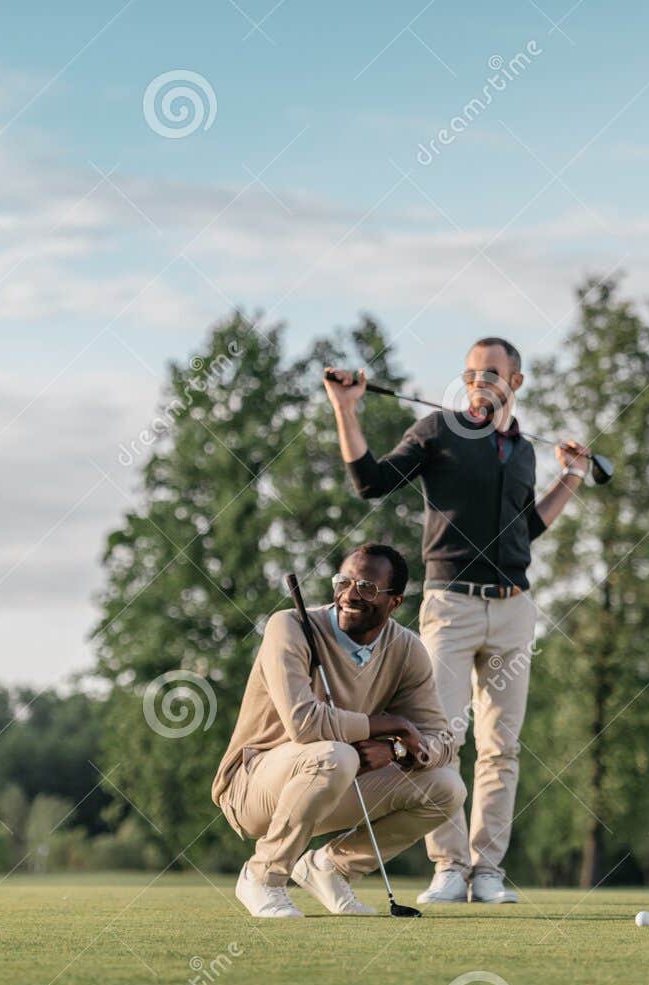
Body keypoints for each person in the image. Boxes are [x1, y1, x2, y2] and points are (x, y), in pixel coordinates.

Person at [323, 340, 590, 904]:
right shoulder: (438, 431)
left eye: (490, 374)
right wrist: (347, 409)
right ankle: (448, 865)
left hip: (515, 608)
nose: (478, 383)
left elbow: (526, 531)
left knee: (502, 747)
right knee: (441, 737)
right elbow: (370, 482)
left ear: (515, 382)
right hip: (451, 604)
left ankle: (487, 871)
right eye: (470, 374)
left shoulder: (522, 451)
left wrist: (571, 477)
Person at [214, 543, 464, 918]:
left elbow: (441, 741)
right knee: (337, 754)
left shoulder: (407, 649)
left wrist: (396, 752)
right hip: (252, 786)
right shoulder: (289, 625)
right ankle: (263, 875)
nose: (349, 595)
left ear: (394, 602)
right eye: (343, 581)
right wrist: (392, 725)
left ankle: (331, 868)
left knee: (447, 788)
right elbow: (304, 724)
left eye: (366, 587)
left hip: (332, 777)